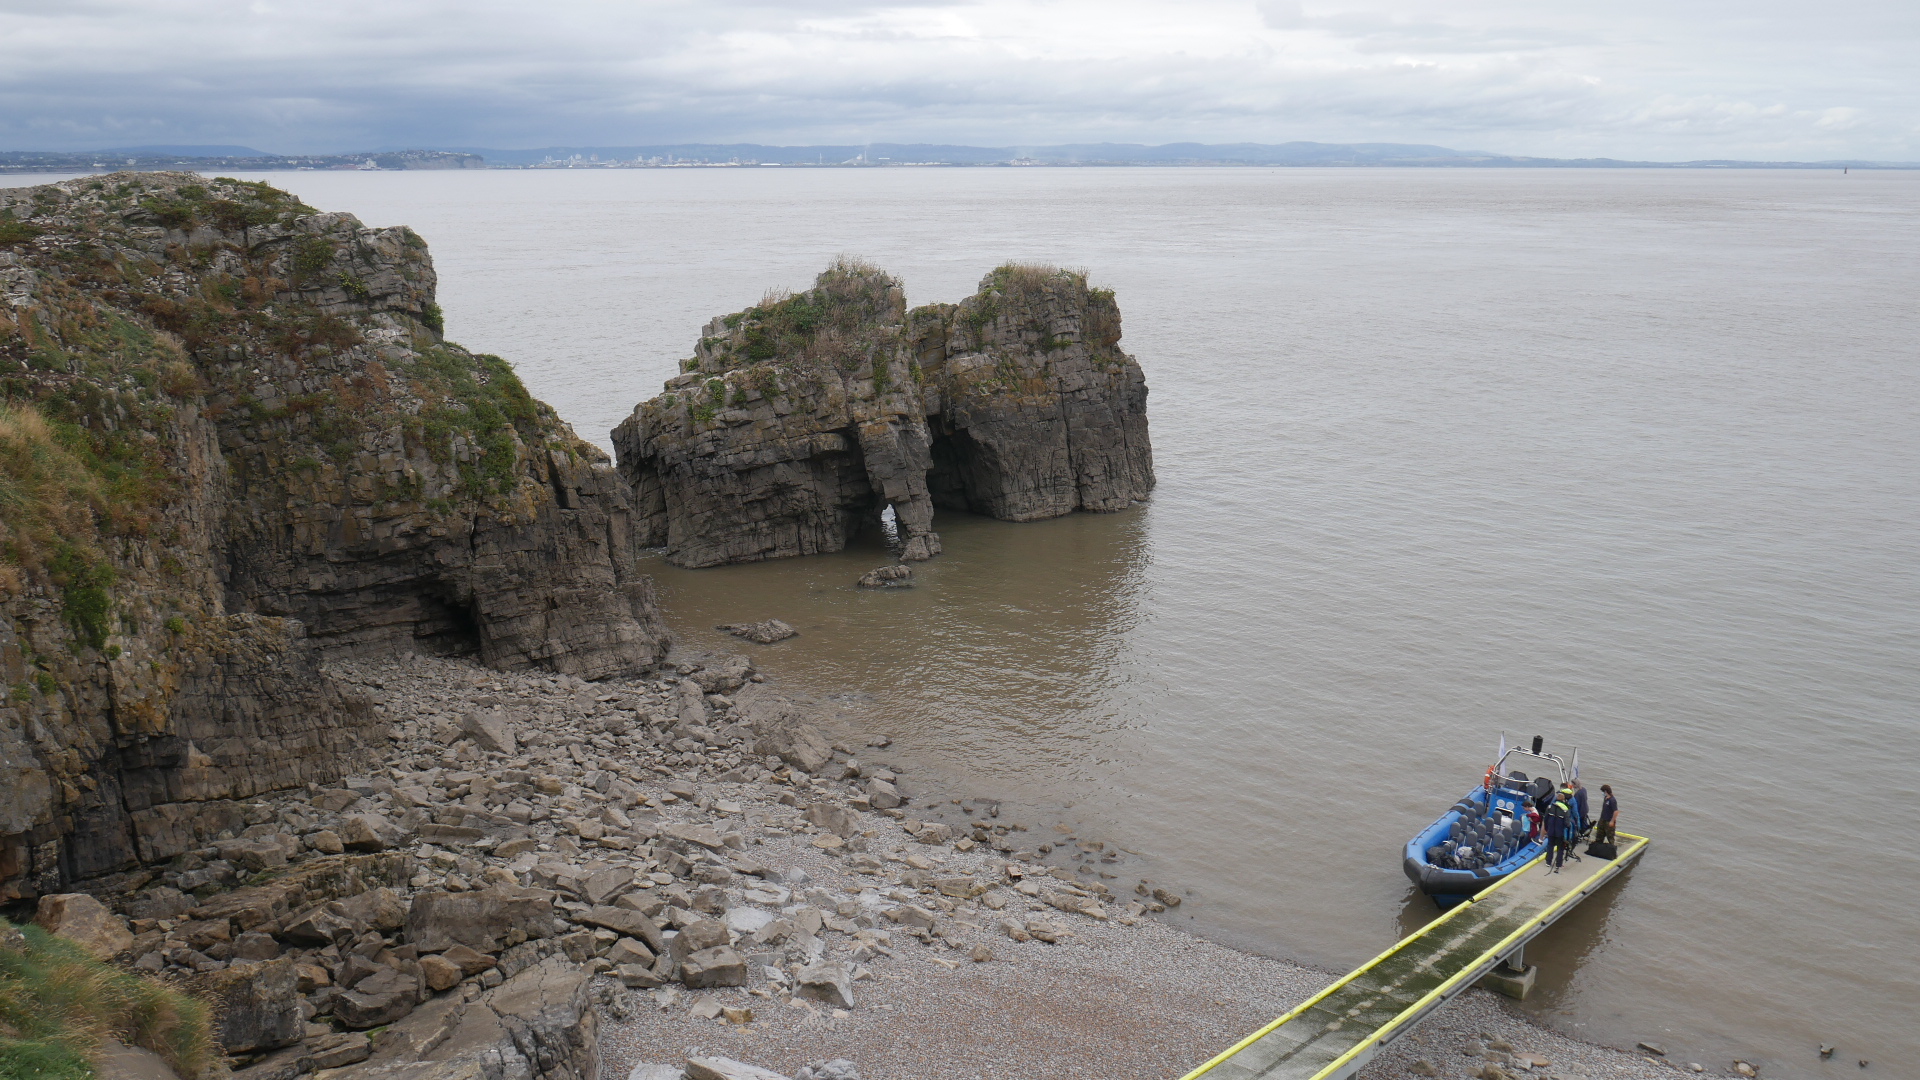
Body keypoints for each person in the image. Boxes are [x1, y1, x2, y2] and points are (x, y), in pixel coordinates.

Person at [1543, 790, 1574, 872]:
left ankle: (1548, 862)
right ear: (1563, 800)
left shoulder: (1549, 807)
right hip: (1560, 832)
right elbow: (1567, 823)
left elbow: (1545, 819)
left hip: (1551, 831)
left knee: (1550, 846)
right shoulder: (1565, 810)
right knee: (1560, 848)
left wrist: (1546, 829)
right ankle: (1558, 864)